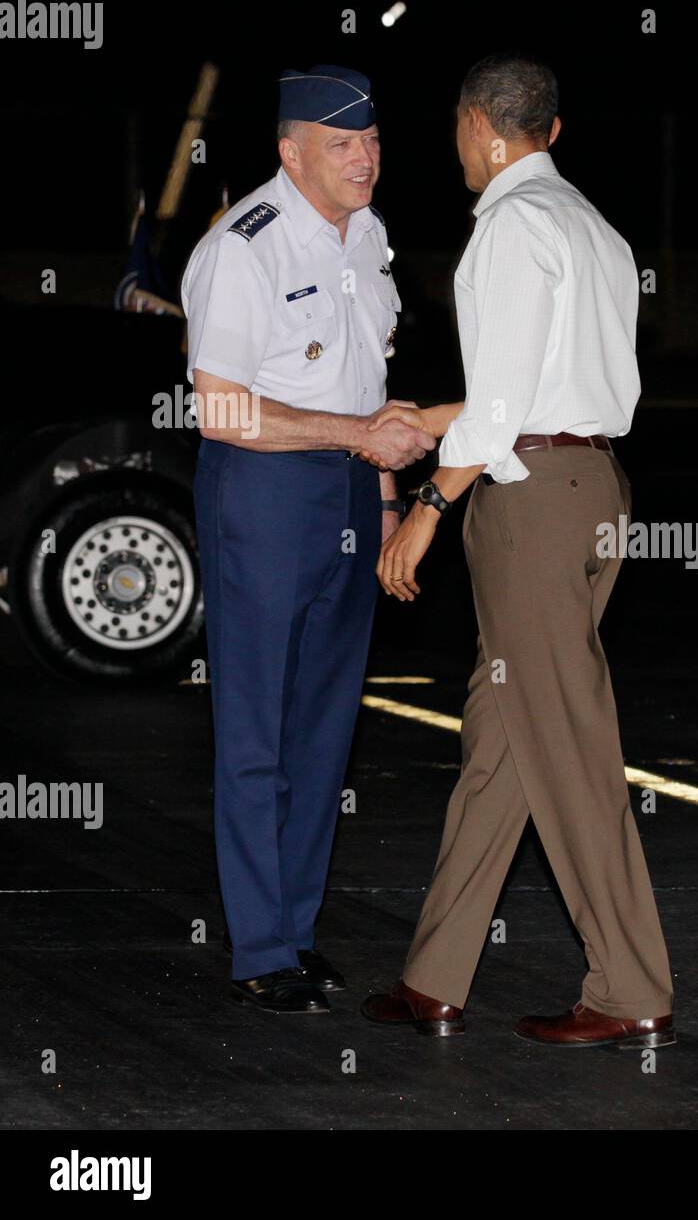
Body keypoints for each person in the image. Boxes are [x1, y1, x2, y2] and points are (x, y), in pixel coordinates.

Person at [359, 54, 676, 1049]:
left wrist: (427, 502)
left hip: (530, 505)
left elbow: (501, 411)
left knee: (568, 746)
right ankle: (435, 973)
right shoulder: (595, 228)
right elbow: (543, 392)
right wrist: (440, 421)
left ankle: (628, 985)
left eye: (453, 127)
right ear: (553, 130)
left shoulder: (506, 225)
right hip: (591, 488)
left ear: (477, 127)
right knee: (501, 743)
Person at [181, 64, 435, 1014]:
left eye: (371, 142)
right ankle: (258, 946)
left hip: (344, 488)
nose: (365, 158)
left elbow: (369, 383)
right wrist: (355, 438)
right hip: (264, 488)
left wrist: (380, 500)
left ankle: (296, 928)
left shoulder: (365, 235)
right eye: (343, 146)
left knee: (324, 729)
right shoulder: (243, 246)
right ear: (292, 153)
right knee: (255, 730)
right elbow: (220, 407)